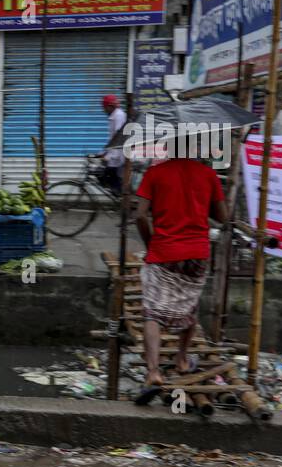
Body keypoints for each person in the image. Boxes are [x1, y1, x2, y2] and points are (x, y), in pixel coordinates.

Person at [132, 151, 228, 405]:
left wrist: (150, 243)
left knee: (152, 313)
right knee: (189, 306)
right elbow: (223, 218)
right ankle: (182, 359)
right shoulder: (208, 175)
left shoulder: (154, 174)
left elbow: (140, 215)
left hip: (164, 251)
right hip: (197, 253)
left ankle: (153, 372)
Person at [98, 94, 129, 194]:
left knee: (108, 175)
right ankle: (118, 195)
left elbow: (119, 138)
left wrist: (109, 156)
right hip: (116, 153)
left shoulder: (118, 116)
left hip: (119, 154)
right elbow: (113, 138)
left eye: (104, 107)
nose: (104, 110)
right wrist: (104, 152)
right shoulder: (114, 116)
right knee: (108, 176)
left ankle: (119, 197)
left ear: (109, 106)